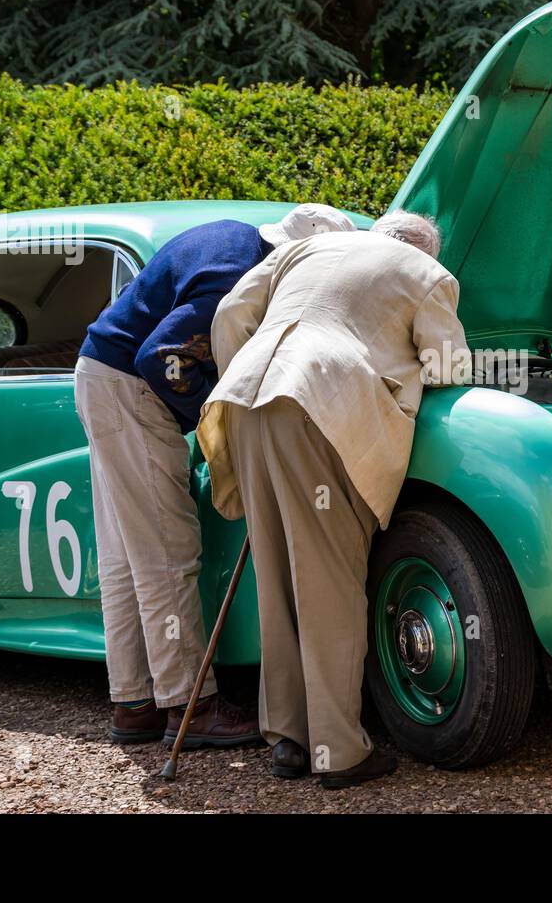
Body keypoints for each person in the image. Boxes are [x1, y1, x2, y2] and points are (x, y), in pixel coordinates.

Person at [197, 212, 469, 788]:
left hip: (246, 399)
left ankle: (290, 739)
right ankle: (340, 752)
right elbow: (449, 369)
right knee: (330, 584)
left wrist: (247, 375)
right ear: (427, 248)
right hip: (321, 406)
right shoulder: (428, 273)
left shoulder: (310, 251)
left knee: (276, 580)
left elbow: (228, 317)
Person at [74, 203, 356, 746]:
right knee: (165, 553)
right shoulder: (234, 277)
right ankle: (190, 707)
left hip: (102, 375)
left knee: (124, 554)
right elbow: (164, 358)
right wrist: (217, 419)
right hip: (130, 389)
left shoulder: (237, 243)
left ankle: (134, 704)